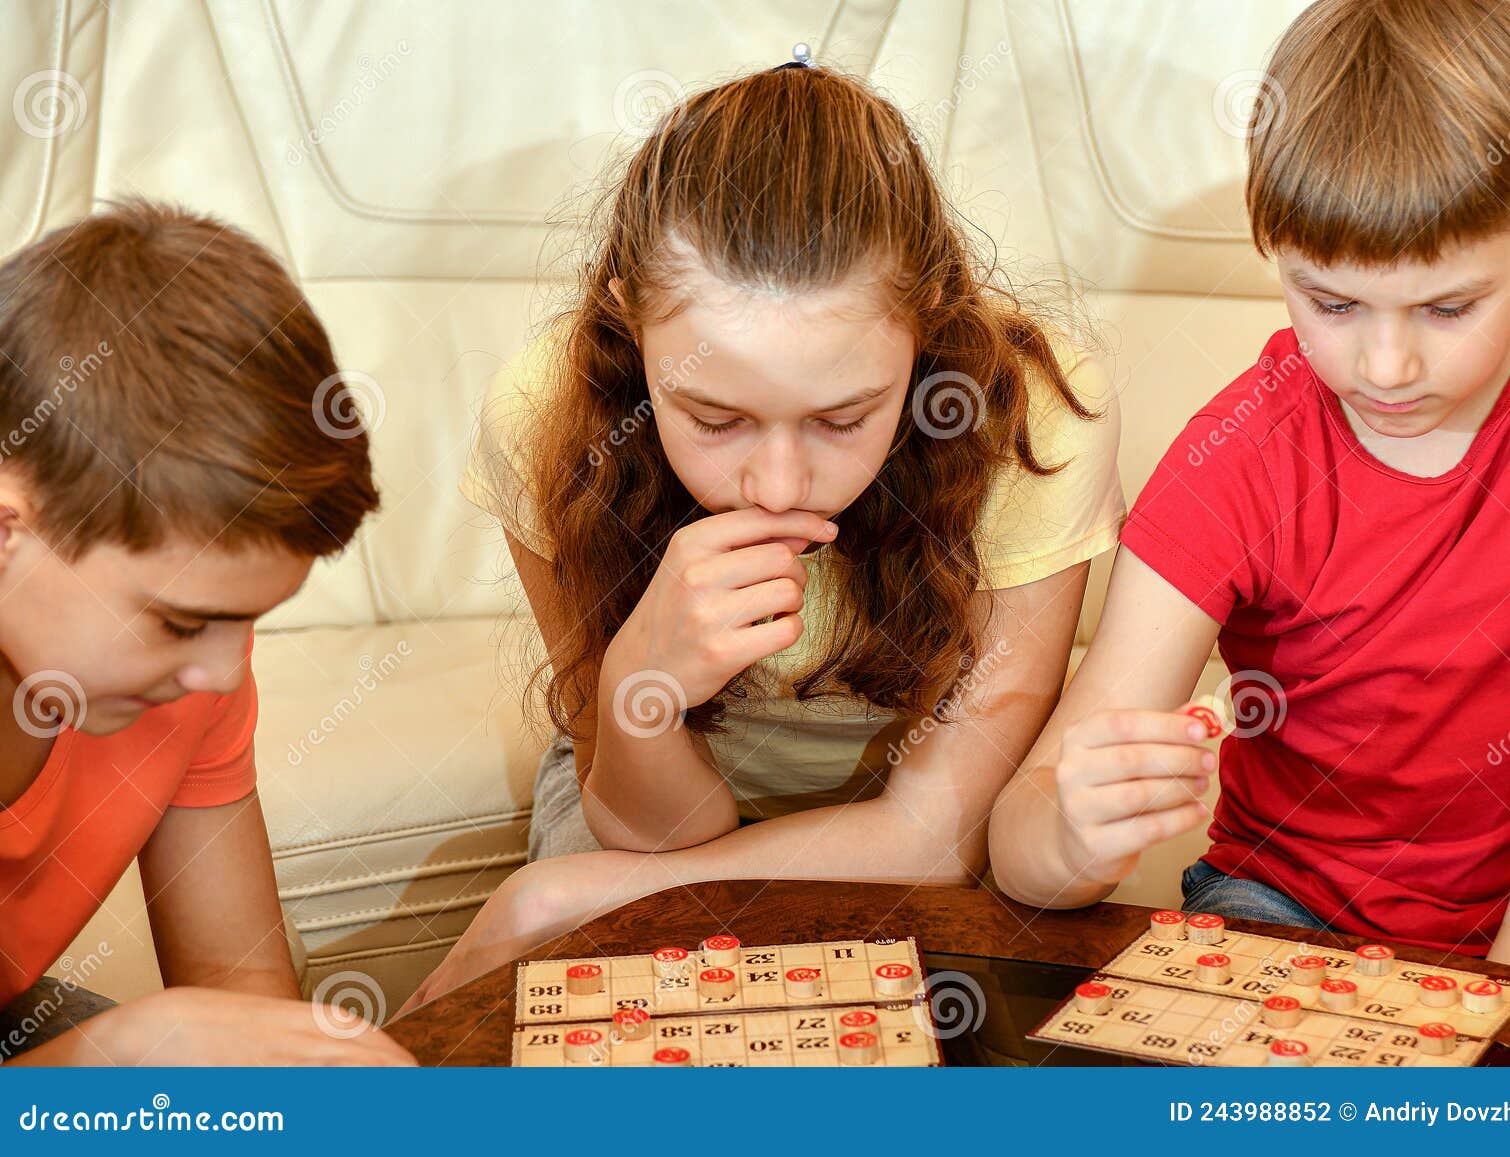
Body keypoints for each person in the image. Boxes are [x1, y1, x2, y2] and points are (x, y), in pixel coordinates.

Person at [404, 60, 1124, 1007]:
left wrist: (550, 901)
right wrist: (642, 685)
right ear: (630, 321)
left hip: (908, 831)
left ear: (926, 329)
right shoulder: (551, 409)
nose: (777, 486)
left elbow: (932, 838)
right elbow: (650, 837)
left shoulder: (1026, 416)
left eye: (843, 417)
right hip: (648, 810)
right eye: (713, 418)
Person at [988, 0, 1510, 986]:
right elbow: (1021, 830)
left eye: (1447, 307)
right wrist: (1067, 831)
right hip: (1290, 908)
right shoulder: (1234, 465)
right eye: (1332, 302)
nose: (1388, 364)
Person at [0, 201, 413, 1064]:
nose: (224, 674)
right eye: (182, 620)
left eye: (247, 621)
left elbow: (237, 983)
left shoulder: (183, 674)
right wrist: (123, 1051)